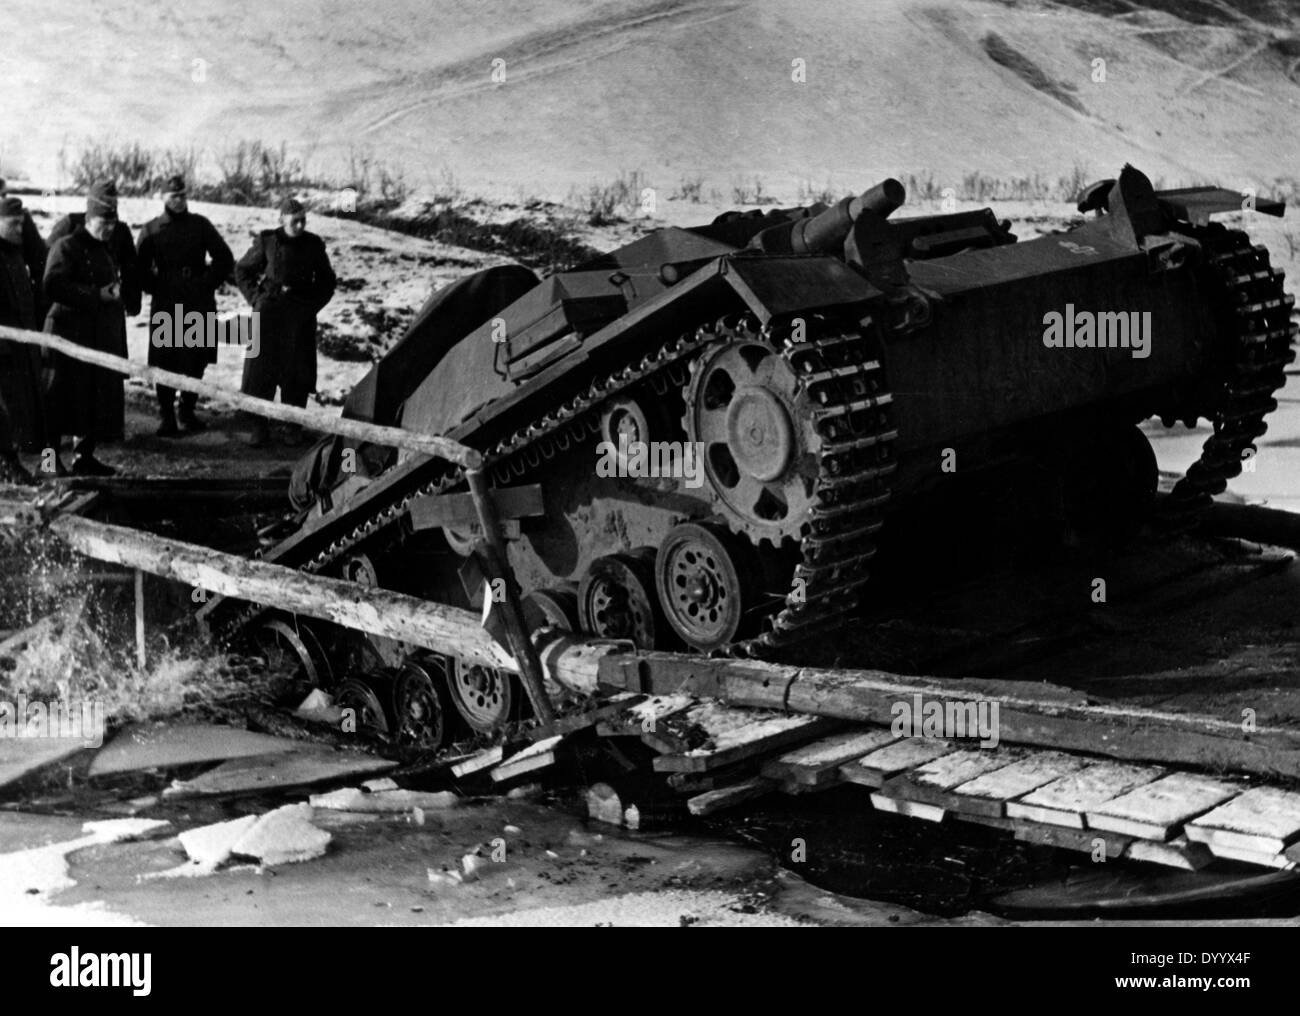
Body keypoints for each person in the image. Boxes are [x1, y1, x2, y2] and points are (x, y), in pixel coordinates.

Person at [42, 182, 130, 476]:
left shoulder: (104, 250)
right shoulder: (66, 246)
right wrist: (95, 295)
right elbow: (52, 285)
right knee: (56, 401)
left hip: (94, 336)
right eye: (104, 223)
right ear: (89, 220)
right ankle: (47, 462)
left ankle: (84, 458)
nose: (109, 229)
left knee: (90, 399)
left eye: (113, 224)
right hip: (65, 334)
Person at [136, 174, 234, 436]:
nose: (179, 201)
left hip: (197, 300)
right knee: (165, 359)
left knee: (195, 359)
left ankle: (187, 411)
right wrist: (157, 287)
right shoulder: (152, 230)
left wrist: (206, 283)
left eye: (182, 195)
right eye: (173, 196)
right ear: (163, 197)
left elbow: (224, 258)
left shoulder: (200, 225)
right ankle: (167, 416)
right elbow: (139, 269)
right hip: (166, 303)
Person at [235, 197, 335, 447]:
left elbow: (327, 282)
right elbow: (242, 270)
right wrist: (256, 298)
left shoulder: (313, 245)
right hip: (269, 315)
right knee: (260, 372)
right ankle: (259, 426)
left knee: (297, 372)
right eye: (294, 222)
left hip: (299, 317)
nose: (300, 226)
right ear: (282, 220)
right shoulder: (268, 241)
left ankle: (292, 426)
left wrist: (311, 306)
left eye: (303, 221)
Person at [0, 196, 44, 484]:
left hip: (24, 345)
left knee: (33, 413)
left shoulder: (16, 254)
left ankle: (45, 467)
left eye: (22, 223)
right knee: (6, 411)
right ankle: (9, 466)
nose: (20, 229)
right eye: (13, 224)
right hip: (4, 349)